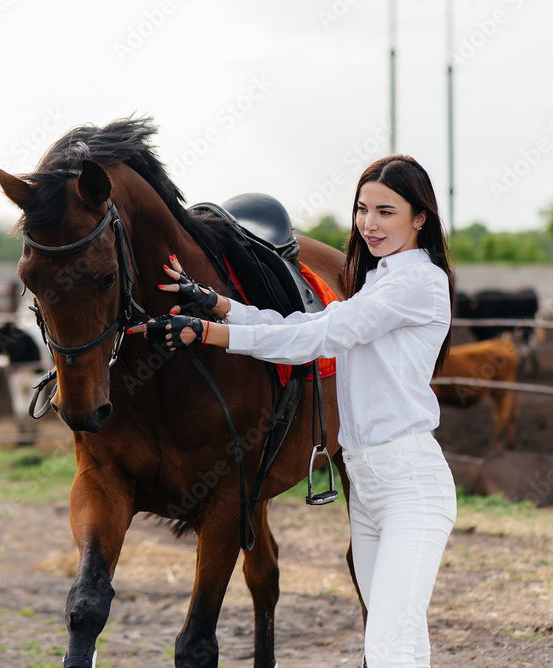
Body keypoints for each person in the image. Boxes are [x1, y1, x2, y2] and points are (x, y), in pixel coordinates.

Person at [129, 155, 457, 667]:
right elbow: (296, 321)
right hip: (370, 485)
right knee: (397, 641)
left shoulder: (417, 283)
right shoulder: (379, 282)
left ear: (420, 218)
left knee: (390, 644)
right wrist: (216, 302)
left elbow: (315, 336)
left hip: (409, 484)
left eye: (386, 212)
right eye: (362, 209)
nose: (369, 224)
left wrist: (211, 333)